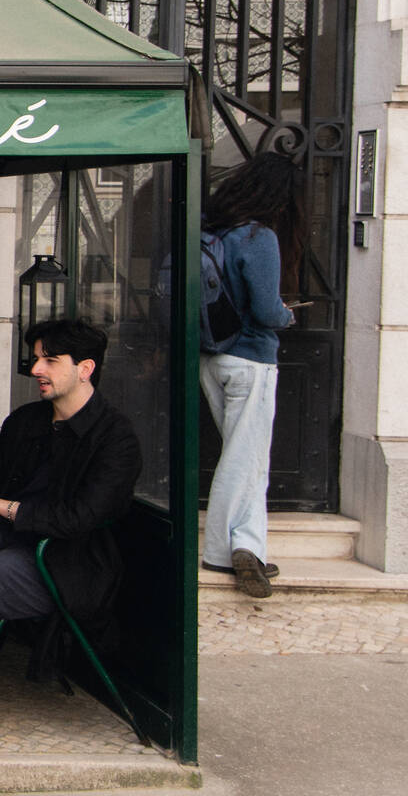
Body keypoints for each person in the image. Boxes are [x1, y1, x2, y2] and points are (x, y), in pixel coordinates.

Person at [0, 319, 140, 755]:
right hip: (1, 542)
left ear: (85, 368)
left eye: (50, 360)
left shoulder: (115, 437)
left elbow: (79, 519)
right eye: (36, 358)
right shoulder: (26, 422)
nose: (36, 368)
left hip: (61, 562)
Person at [200, 152, 301, 598]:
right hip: (250, 359)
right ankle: (222, 550)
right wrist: (287, 315)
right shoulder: (258, 236)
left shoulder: (210, 230)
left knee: (250, 457)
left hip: (210, 356)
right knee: (243, 458)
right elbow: (265, 310)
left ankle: (250, 546)